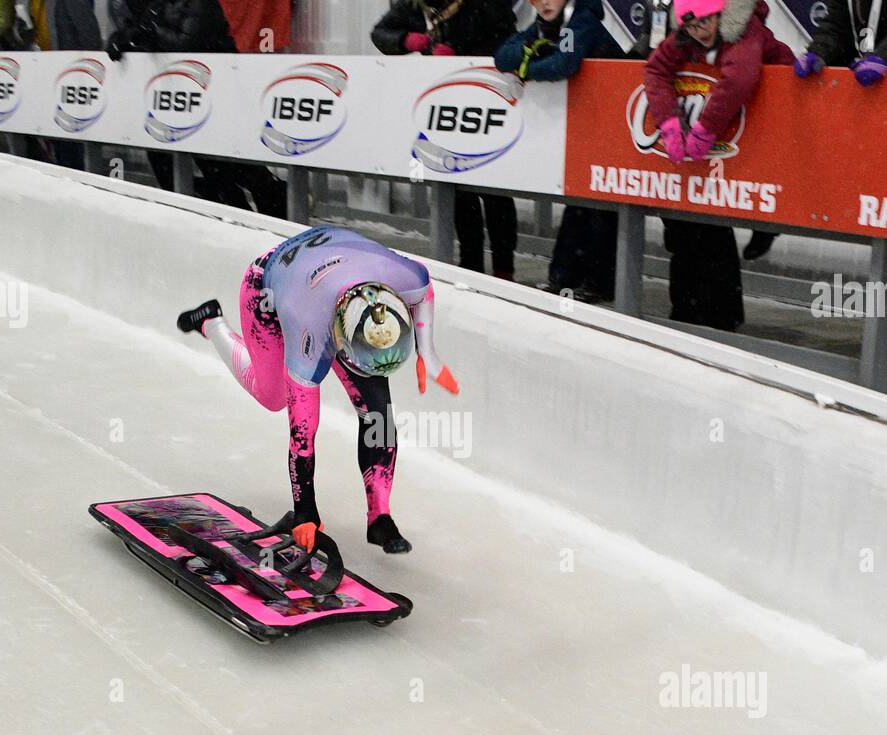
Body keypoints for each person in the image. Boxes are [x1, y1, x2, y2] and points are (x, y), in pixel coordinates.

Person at [176, 226, 460, 555]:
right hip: (269, 290)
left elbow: (424, 293)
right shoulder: (307, 329)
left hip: (326, 270)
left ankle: (380, 516)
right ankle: (212, 323)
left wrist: (428, 353)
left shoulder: (406, 278)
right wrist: (305, 511)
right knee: (273, 397)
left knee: (379, 415)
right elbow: (302, 435)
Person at [644, 0, 792, 330]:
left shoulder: (744, 30)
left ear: (719, 14)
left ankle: (724, 311)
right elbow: (655, 69)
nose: (699, 33)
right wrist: (668, 122)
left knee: (723, 217)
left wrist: (705, 129)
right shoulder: (686, 34)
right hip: (727, 122)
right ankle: (687, 310)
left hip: (768, 116)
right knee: (686, 224)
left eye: (704, 23)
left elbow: (739, 78)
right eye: (691, 27)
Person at [373, 0, 520, 280]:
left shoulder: (487, 6)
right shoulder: (414, 6)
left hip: (487, 101)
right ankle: (471, 266)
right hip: (447, 105)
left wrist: (463, 56)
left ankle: (504, 268)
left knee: (496, 190)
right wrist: (406, 41)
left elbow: (508, 40)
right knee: (458, 191)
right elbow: (380, 34)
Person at [107, 0, 287, 219]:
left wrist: (148, 33)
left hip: (214, 91)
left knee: (230, 167)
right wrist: (124, 39)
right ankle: (231, 216)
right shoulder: (156, 5)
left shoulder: (200, 4)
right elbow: (145, 34)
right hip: (180, 96)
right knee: (191, 169)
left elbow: (187, 43)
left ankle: (270, 205)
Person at [496, 0, 623, 302]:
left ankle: (597, 281)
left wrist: (525, 69)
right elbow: (502, 56)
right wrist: (530, 54)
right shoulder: (543, 25)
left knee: (600, 206)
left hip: (613, 120)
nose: (543, 3)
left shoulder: (584, 19)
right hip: (587, 123)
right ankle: (565, 278)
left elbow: (565, 63)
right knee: (580, 204)